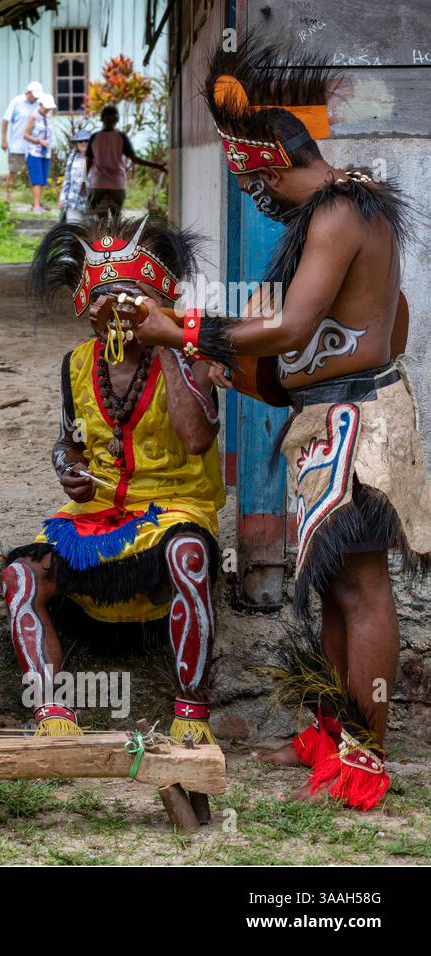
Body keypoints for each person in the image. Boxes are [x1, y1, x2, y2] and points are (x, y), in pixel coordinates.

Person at [132, 34, 430, 810]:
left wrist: (188, 333)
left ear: (265, 159)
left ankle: (367, 752)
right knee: (337, 586)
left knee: (362, 587)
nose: (250, 193)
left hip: (359, 425)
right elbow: (338, 335)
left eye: (248, 177)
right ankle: (335, 732)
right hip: (335, 420)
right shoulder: (344, 202)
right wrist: (229, 359)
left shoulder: (335, 213)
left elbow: (295, 329)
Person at [5, 215, 224, 739]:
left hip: (174, 510)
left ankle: (190, 715)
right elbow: (68, 443)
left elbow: (196, 438)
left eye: (131, 297)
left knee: (187, 557)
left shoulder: (192, 358)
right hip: (96, 515)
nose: (118, 310)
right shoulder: (78, 364)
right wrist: (68, 470)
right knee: (20, 575)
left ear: (158, 297)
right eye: (105, 298)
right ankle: (53, 714)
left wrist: (167, 341)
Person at [85, 105, 167, 219]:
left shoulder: (95, 137)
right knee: (116, 220)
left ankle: (103, 236)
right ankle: (115, 236)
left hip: (99, 183)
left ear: (101, 118)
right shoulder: (120, 137)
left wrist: (85, 179)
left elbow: (89, 161)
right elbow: (134, 159)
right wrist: (157, 166)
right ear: (116, 120)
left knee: (101, 221)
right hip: (116, 183)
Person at [1, 81, 43, 205]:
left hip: (33, 146)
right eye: (33, 95)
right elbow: (5, 120)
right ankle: (7, 198)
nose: (34, 98)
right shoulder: (16, 102)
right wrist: (4, 139)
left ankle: (35, 201)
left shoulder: (38, 104)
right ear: (28, 92)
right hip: (17, 145)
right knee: (13, 172)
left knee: (33, 174)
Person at [22, 93, 55, 213]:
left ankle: (38, 204)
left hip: (45, 153)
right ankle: (36, 206)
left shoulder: (48, 117)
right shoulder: (33, 117)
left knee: (42, 179)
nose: (48, 109)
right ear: (40, 104)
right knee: (36, 179)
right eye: (46, 107)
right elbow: (25, 135)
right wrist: (39, 141)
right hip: (34, 152)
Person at [58, 129, 91, 223]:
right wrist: (62, 198)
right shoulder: (72, 157)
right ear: (76, 143)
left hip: (92, 205)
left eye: (86, 141)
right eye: (81, 141)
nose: (83, 143)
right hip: (73, 203)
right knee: (73, 234)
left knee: (93, 235)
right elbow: (67, 180)